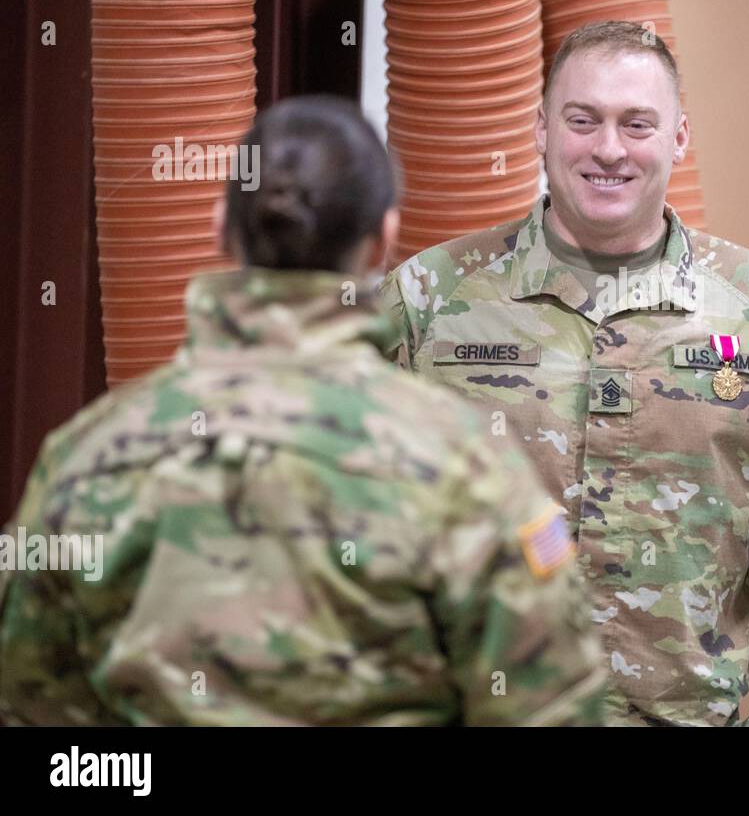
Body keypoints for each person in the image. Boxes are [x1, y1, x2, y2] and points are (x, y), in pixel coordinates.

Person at [0, 96, 605, 726]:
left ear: (219, 227)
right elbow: (551, 706)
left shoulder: (89, 453)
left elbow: (32, 708)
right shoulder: (464, 463)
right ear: (382, 240)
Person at [381, 21, 749, 726]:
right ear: (541, 129)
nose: (609, 149)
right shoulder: (428, 303)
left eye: (637, 124)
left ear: (679, 138)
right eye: (582, 120)